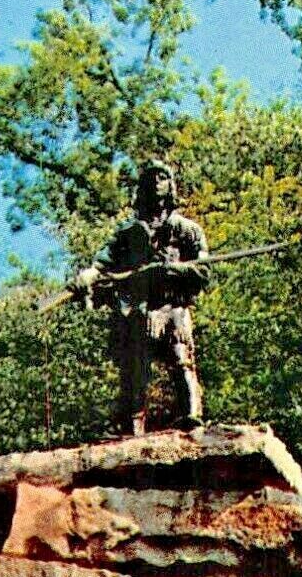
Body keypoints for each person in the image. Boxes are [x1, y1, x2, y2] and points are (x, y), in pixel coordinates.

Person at [73, 158, 209, 435]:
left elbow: (203, 269)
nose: (156, 182)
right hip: (139, 310)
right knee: (134, 372)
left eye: (161, 177)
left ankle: (192, 415)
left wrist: (177, 270)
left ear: (170, 185)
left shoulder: (187, 229)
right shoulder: (128, 233)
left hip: (173, 307)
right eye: (151, 178)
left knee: (181, 359)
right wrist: (88, 275)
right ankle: (133, 427)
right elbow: (102, 264)